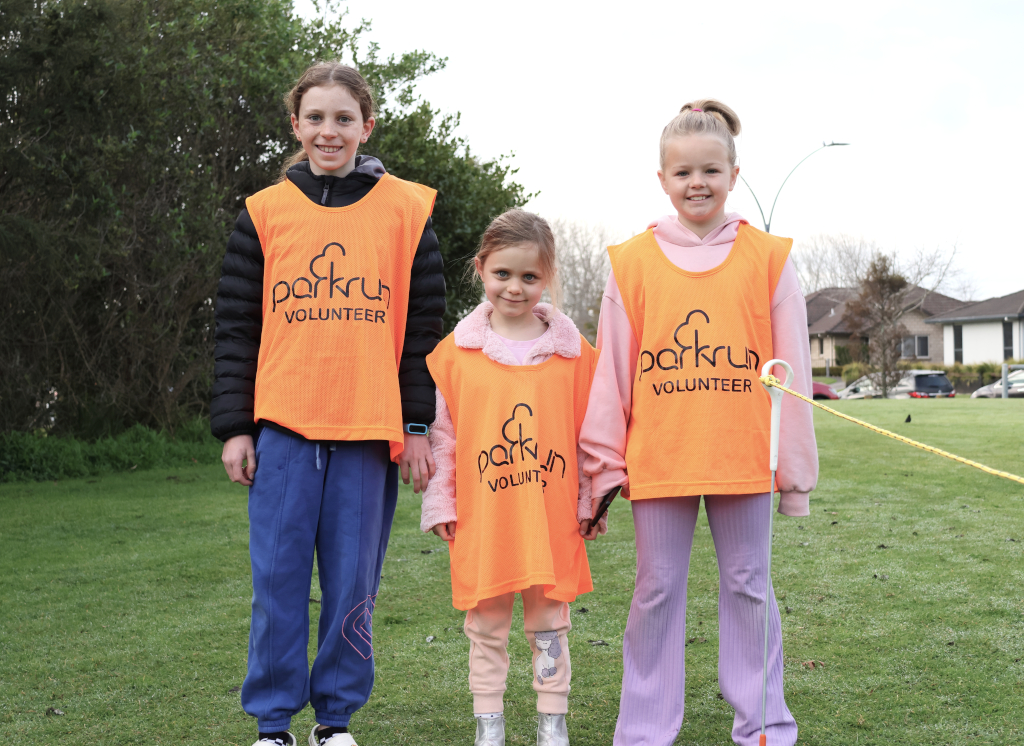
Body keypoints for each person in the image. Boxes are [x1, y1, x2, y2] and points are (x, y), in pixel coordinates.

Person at [210, 61, 446, 746]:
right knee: (277, 582)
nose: (329, 131)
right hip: (283, 427)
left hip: (371, 430)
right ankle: (274, 722)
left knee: (352, 587)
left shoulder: (408, 210)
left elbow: (423, 331)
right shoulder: (264, 213)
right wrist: (235, 427)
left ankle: (335, 720)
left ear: (366, 126)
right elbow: (236, 326)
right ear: (295, 125)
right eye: (315, 118)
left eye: (343, 118)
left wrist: (419, 426)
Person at [579, 100, 818, 746]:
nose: (698, 183)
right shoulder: (630, 262)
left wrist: (793, 476)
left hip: (744, 459)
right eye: (683, 172)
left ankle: (764, 725)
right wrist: (602, 473)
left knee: (748, 587)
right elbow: (613, 378)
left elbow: (791, 373)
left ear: (734, 173)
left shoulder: (769, 258)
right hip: (662, 460)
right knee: (656, 592)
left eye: (711, 170)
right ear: (662, 179)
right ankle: (645, 732)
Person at [419, 209, 603, 746]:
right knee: (486, 627)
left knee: (549, 626)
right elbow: (443, 439)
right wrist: (441, 502)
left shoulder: (575, 356)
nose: (515, 288)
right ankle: (489, 725)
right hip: (485, 518)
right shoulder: (454, 356)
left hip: (551, 519)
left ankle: (552, 722)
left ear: (547, 277)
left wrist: (593, 500)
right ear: (481, 269)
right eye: (502, 274)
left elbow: (590, 436)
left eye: (529, 276)